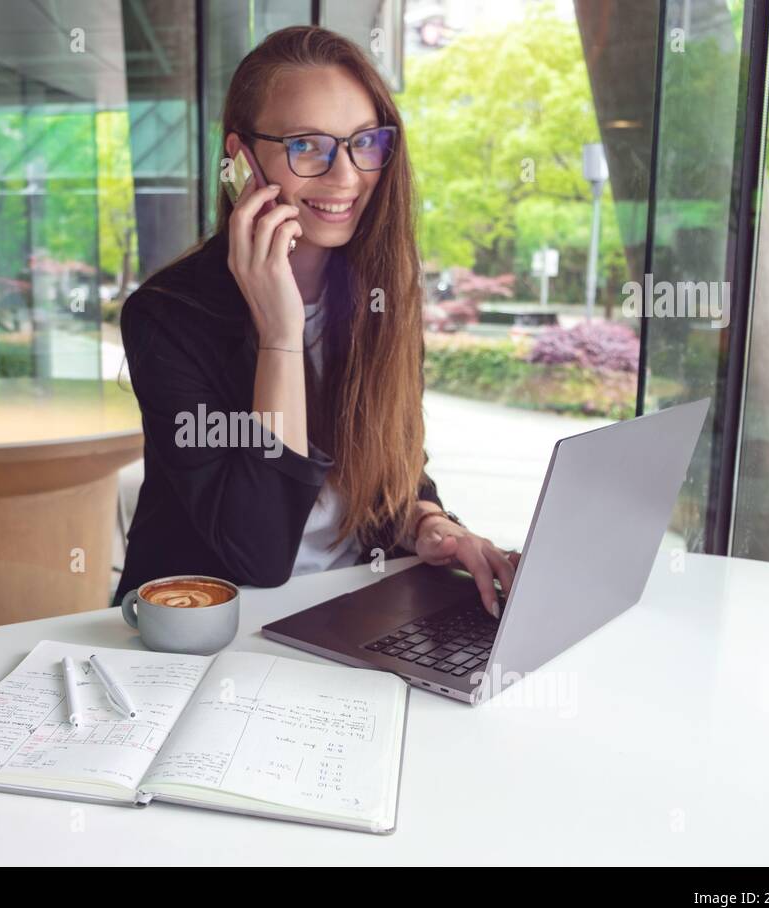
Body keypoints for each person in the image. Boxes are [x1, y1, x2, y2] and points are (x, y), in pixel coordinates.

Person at [115, 26, 518, 614]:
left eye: (364, 142)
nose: (347, 176)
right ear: (240, 161)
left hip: (348, 611)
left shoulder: (380, 294)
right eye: (308, 145)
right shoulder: (168, 317)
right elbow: (258, 556)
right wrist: (281, 335)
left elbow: (390, 468)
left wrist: (429, 522)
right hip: (208, 633)